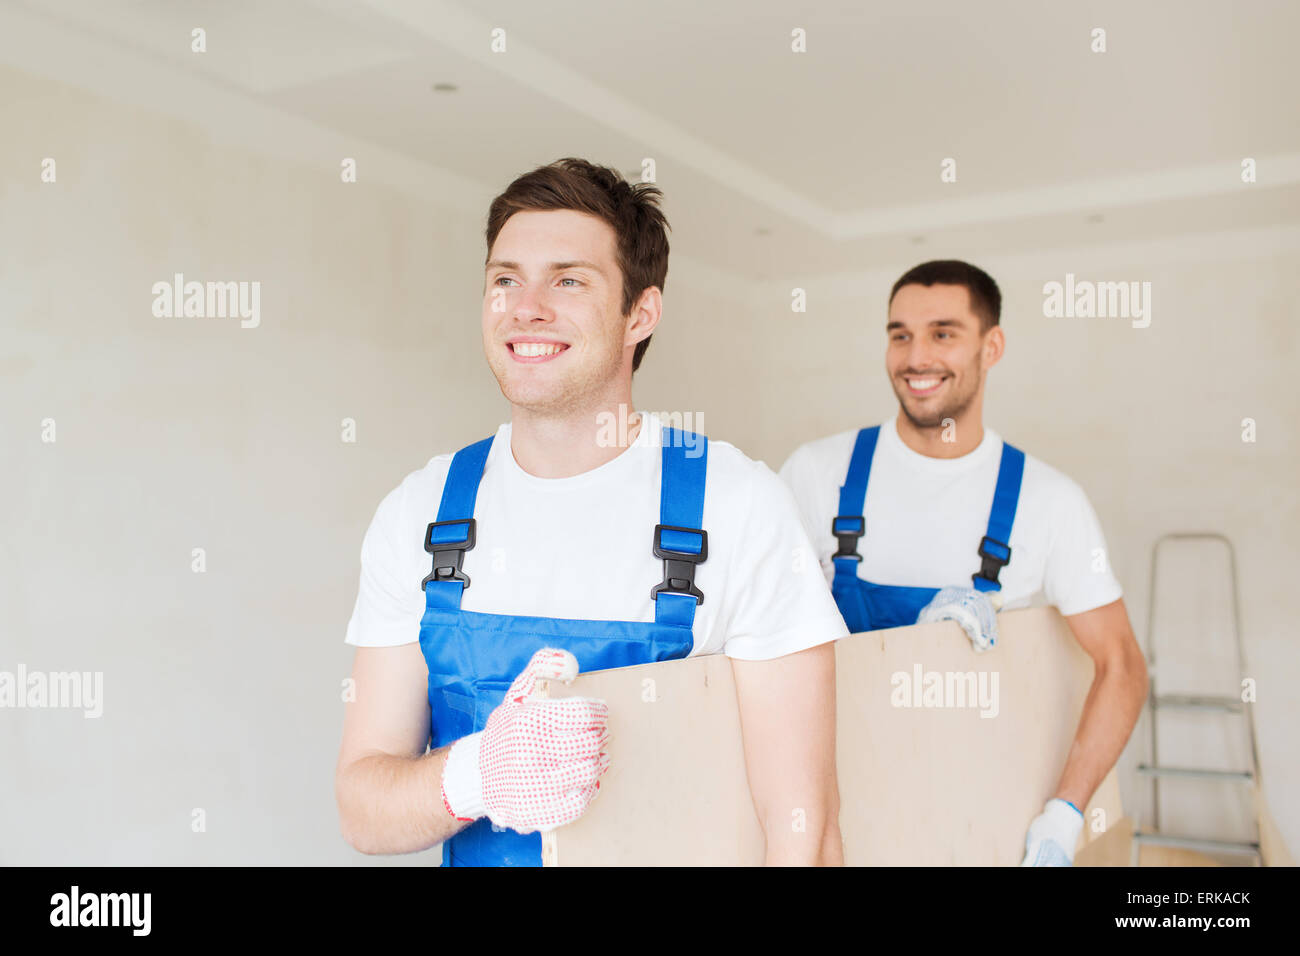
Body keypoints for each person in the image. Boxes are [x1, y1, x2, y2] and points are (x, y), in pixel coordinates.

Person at [335, 158, 848, 866]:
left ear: (640, 312)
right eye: (505, 278)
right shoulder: (420, 515)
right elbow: (364, 810)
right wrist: (477, 773)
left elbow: (805, 833)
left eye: (569, 279)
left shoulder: (739, 507)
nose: (526, 307)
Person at [779, 259, 1148, 867]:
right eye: (900, 334)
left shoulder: (1049, 501)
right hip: (841, 815)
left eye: (943, 333)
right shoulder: (819, 474)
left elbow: (1122, 663)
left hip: (981, 819)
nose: (915, 356)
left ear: (991, 346)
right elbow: (765, 640)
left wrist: (1064, 814)